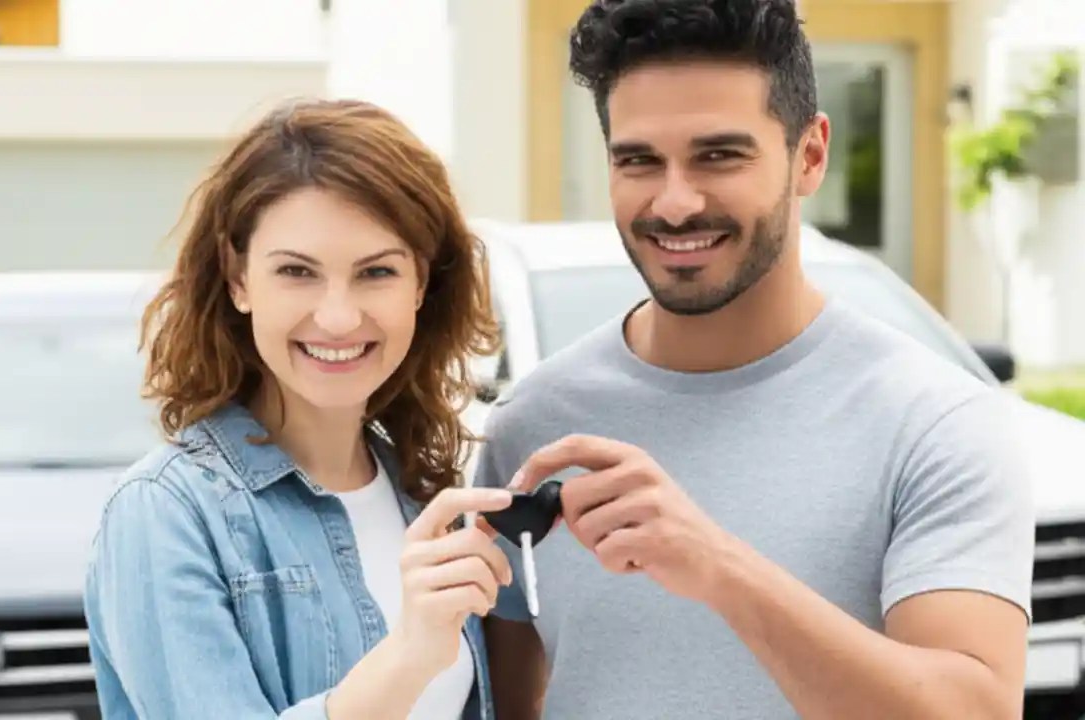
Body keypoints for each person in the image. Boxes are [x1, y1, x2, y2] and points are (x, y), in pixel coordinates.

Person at [476, 1, 1035, 718]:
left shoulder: (936, 422)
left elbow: (977, 712)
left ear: (809, 154)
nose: (674, 203)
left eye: (718, 155)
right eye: (639, 160)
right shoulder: (535, 425)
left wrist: (717, 568)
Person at [82, 97, 516, 720]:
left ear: (421, 282)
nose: (338, 317)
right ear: (238, 278)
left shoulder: (422, 493)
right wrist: (410, 659)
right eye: (296, 271)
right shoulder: (166, 514)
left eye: (376, 272)